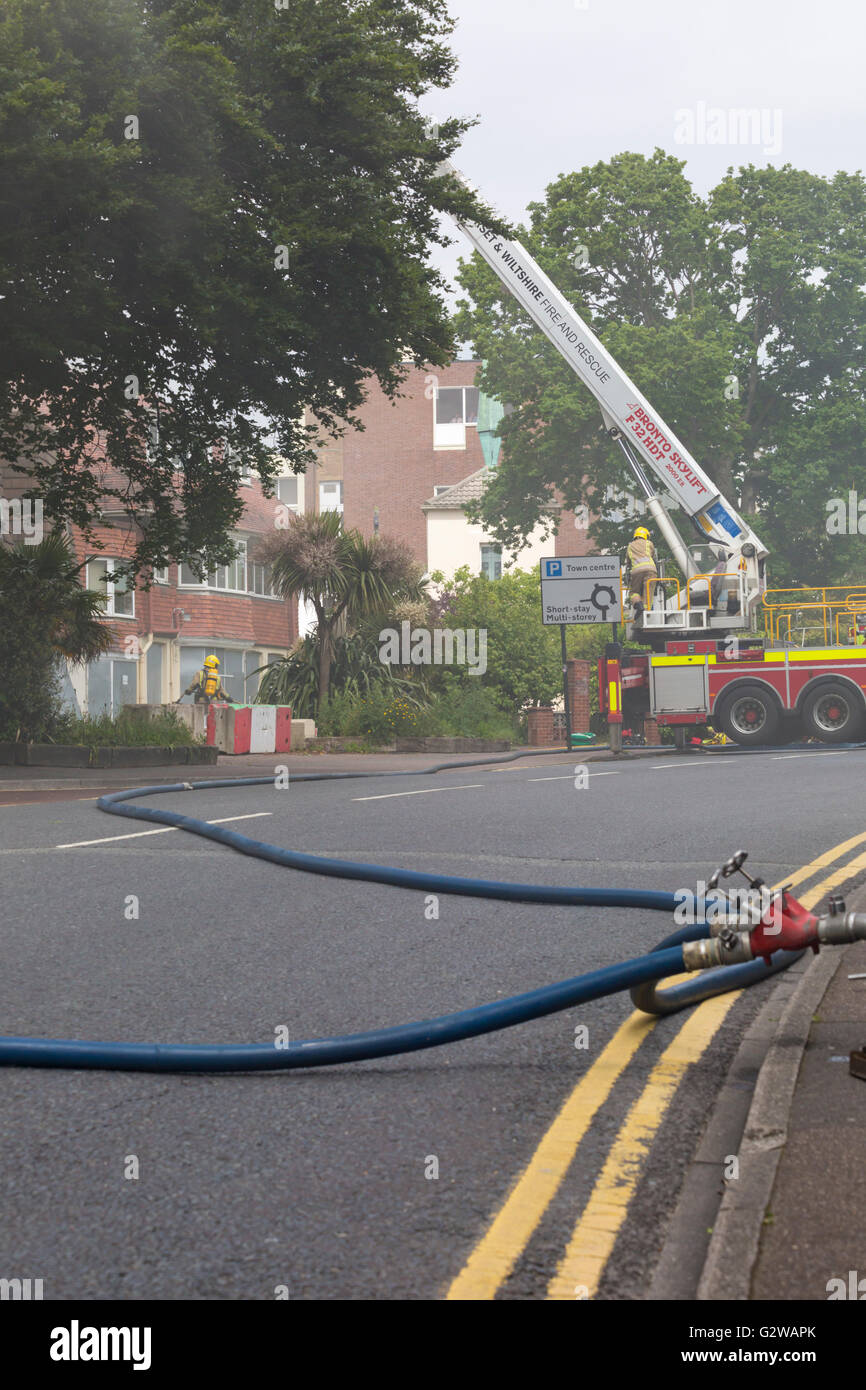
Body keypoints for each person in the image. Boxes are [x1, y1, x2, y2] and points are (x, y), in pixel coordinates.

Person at [626, 525, 658, 618]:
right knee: (648, 592)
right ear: (646, 536)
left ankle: (639, 605)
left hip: (636, 571)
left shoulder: (630, 546)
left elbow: (628, 562)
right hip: (651, 570)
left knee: (633, 592)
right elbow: (653, 556)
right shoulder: (649, 543)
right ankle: (646, 614)